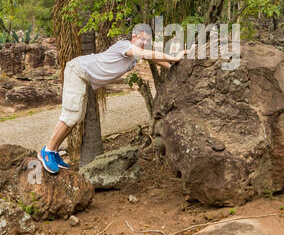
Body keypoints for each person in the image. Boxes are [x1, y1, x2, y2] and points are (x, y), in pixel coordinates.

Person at [38, 27, 183, 173]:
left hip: (82, 75)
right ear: (134, 36)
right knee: (71, 115)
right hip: (77, 70)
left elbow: (153, 58)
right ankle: (47, 151)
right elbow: (146, 53)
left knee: (75, 118)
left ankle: (54, 151)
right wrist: (174, 57)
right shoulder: (125, 46)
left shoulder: (136, 54)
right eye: (142, 39)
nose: (144, 42)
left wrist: (172, 67)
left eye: (147, 41)